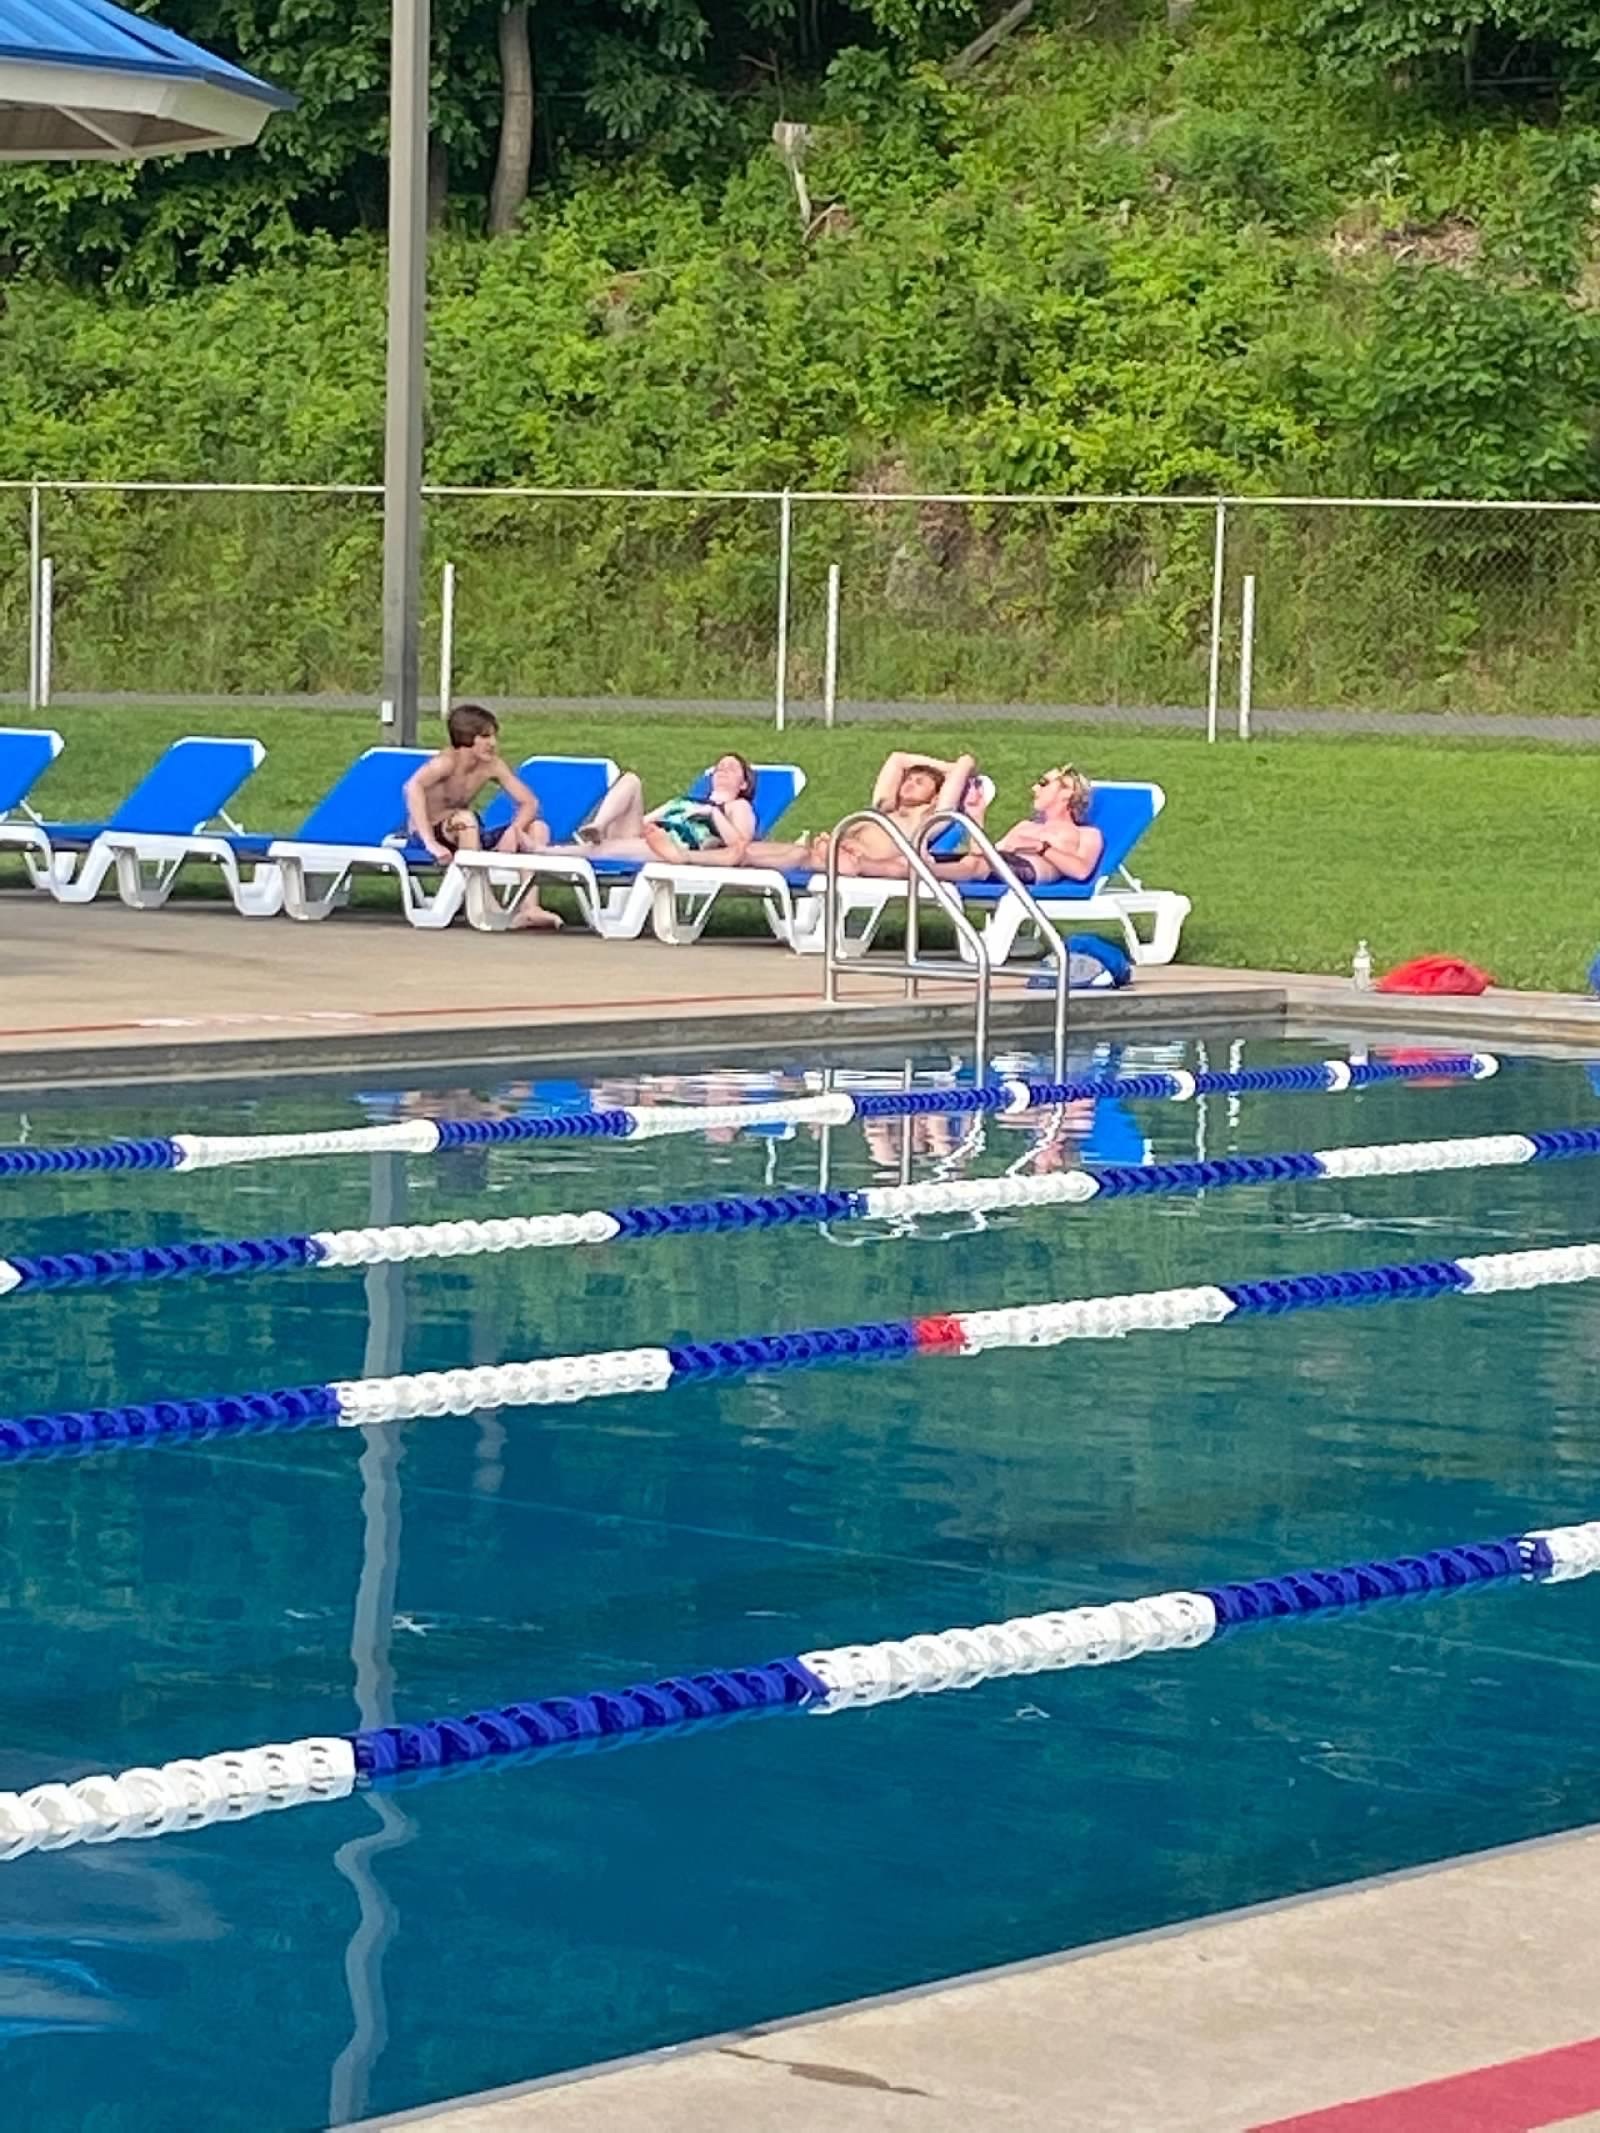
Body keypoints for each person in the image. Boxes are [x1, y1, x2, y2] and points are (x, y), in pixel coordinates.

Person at [402, 703, 559, 930]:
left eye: (494, 736)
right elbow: (412, 787)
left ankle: (530, 908)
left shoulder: (491, 766)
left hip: (469, 831)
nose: (493, 743)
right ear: (467, 739)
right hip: (433, 832)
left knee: (538, 828)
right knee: (466, 820)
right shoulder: (446, 763)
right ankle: (484, 907)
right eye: (485, 737)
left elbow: (530, 802)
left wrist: (514, 832)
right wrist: (430, 842)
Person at [719, 748, 985, 877]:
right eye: (908, 779)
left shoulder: (927, 819)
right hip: (825, 852)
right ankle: (691, 856)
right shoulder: (884, 808)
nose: (909, 783)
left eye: (919, 783)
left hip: (850, 865)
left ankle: (692, 855)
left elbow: (966, 763)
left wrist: (951, 770)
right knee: (743, 851)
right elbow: (897, 759)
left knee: (785, 855)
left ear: (935, 796)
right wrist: (940, 766)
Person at [552, 752, 759, 864]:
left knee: (605, 849)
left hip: (671, 848)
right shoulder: (684, 802)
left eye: (731, 769)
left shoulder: (737, 806)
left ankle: (546, 852)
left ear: (743, 784)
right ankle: (598, 825)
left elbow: (740, 846)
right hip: (646, 837)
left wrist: (714, 814)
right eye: (719, 767)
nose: (722, 770)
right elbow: (644, 823)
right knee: (631, 780)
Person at [933, 764, 1102, 887]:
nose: (1034, 788)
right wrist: (977, 814)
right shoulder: (1025, 826)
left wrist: (1040, 847)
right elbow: (979, 853)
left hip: (1027, 869)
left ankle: (914, 871)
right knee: (929, 857)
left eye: (1043, 783)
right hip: (995, 866)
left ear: (1068, 791)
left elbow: (1081, 871)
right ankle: (913, 867)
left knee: (975, 865)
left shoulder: (1086, 833)